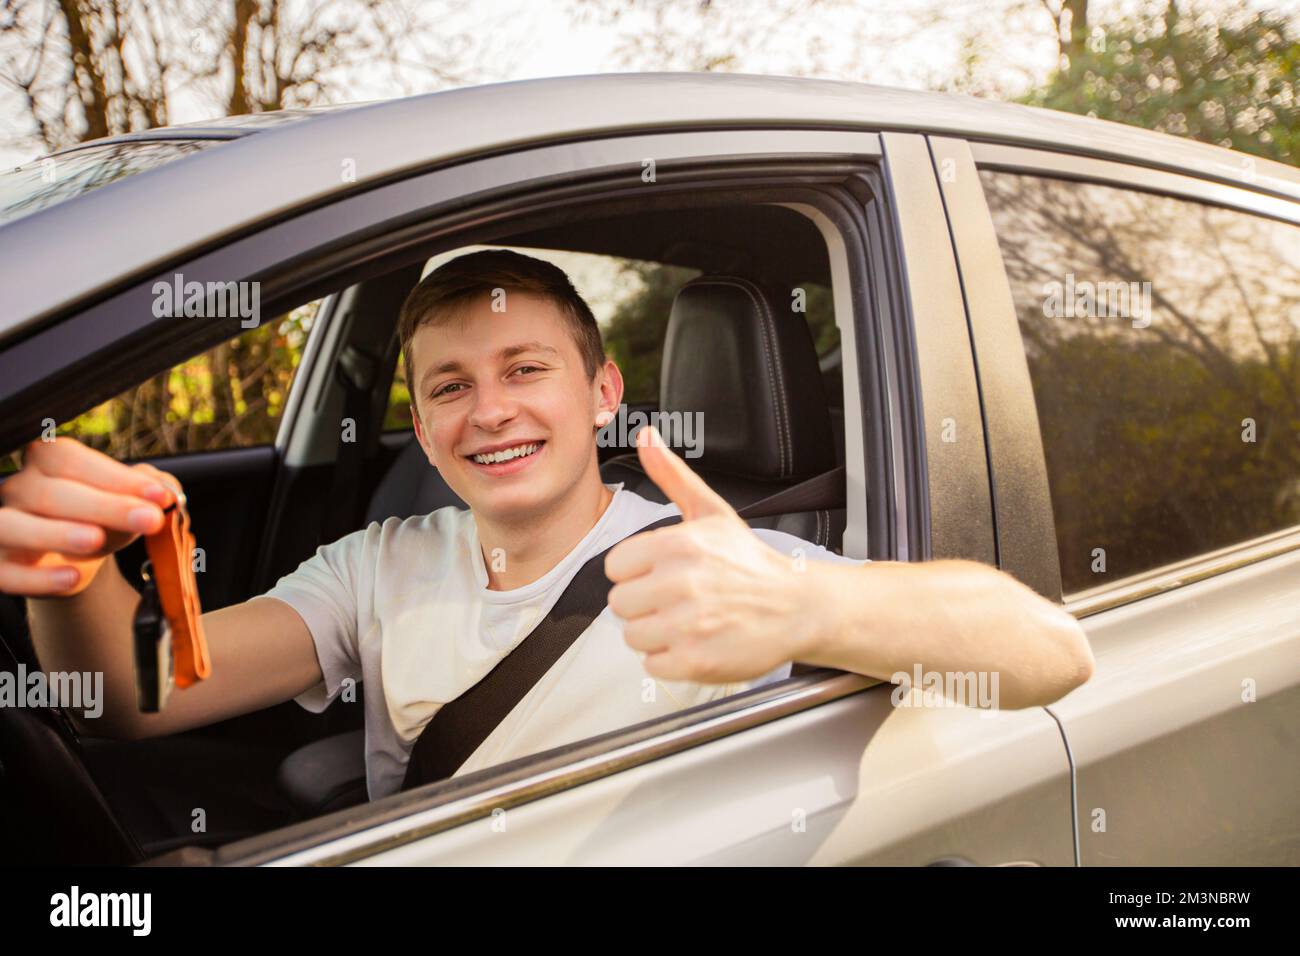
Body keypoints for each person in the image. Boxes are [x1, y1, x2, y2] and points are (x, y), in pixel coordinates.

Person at [0, 250, 1094, 801]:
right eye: (449, 387)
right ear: (422, 430)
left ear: (604, 392)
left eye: (527, 369)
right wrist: (68, 568)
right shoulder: (376, 564)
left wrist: (815, 600)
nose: (491, 409)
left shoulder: (717, 563)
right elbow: (133, 700)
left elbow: (1050, 650)